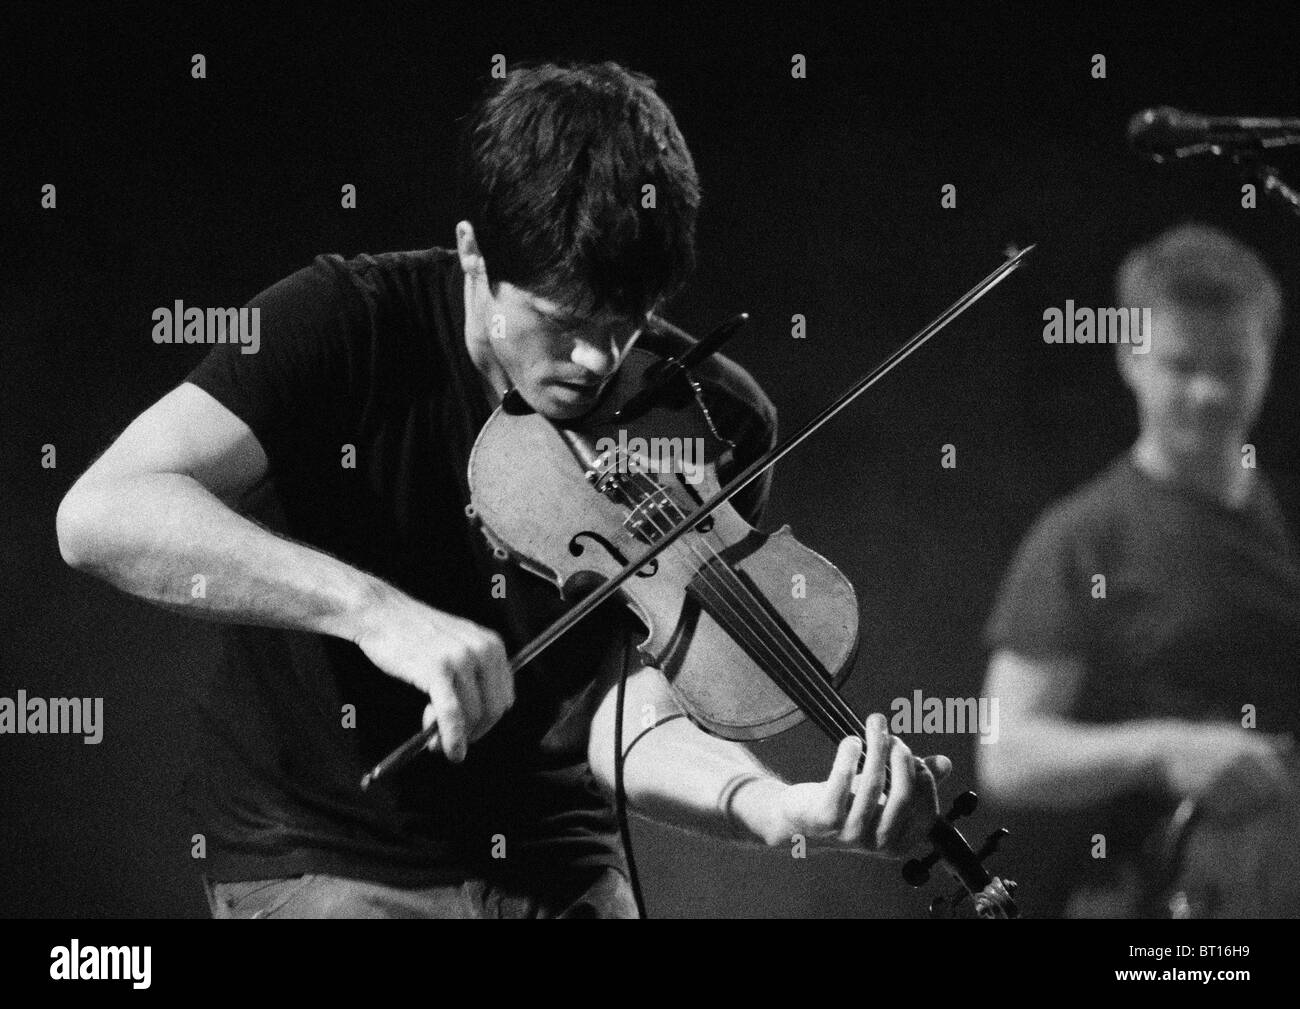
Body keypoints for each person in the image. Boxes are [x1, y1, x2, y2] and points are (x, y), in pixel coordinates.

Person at [56, 60, 947, 919]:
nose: (599, 363)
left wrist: (778, 811)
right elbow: (103, 512)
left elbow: (624, 708)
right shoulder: (346, 321)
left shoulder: (709, 421)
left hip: (557, 860)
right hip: (327, 851)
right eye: (564, 324)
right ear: (474, 253)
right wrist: (374, 611)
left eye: (625, 324)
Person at [978, 222, 1300, 917]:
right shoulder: (1083, 536)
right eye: (1183, 365)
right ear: (1131, 356)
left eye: (1233, 365)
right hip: (1158, 899)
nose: (1210, 392)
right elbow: (1006, 752)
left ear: (1267, 359)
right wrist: (1160, 748)